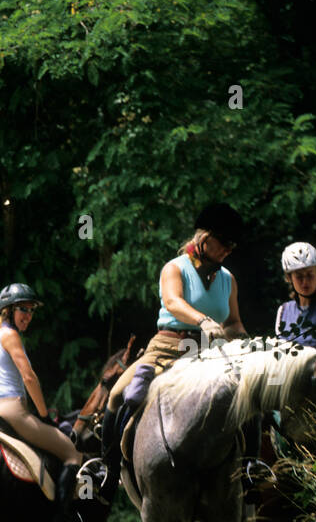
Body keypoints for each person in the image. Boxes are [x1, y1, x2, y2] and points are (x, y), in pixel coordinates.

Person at [101, 203, 269, 499]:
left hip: (211, 354)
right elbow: (173, 302)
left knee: (250, 394)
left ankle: (249, 468)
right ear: (204, 240)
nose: (229, 249)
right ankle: (107, 469)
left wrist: (250, 342)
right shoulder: (174, 268)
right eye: (225, 243)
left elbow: (233, 323)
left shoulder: (228, 279)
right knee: (119, 396)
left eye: (233, 245)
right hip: (169, 348)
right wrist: (203, 320)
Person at [0, 283, 88, 522]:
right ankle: (60, 520)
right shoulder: (11, 336)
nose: (28, 316)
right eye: (23, 310)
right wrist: (43, 414)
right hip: (12, 410)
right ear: (7, 311)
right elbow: (29, 377)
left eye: (31, 311)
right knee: (73, 453)